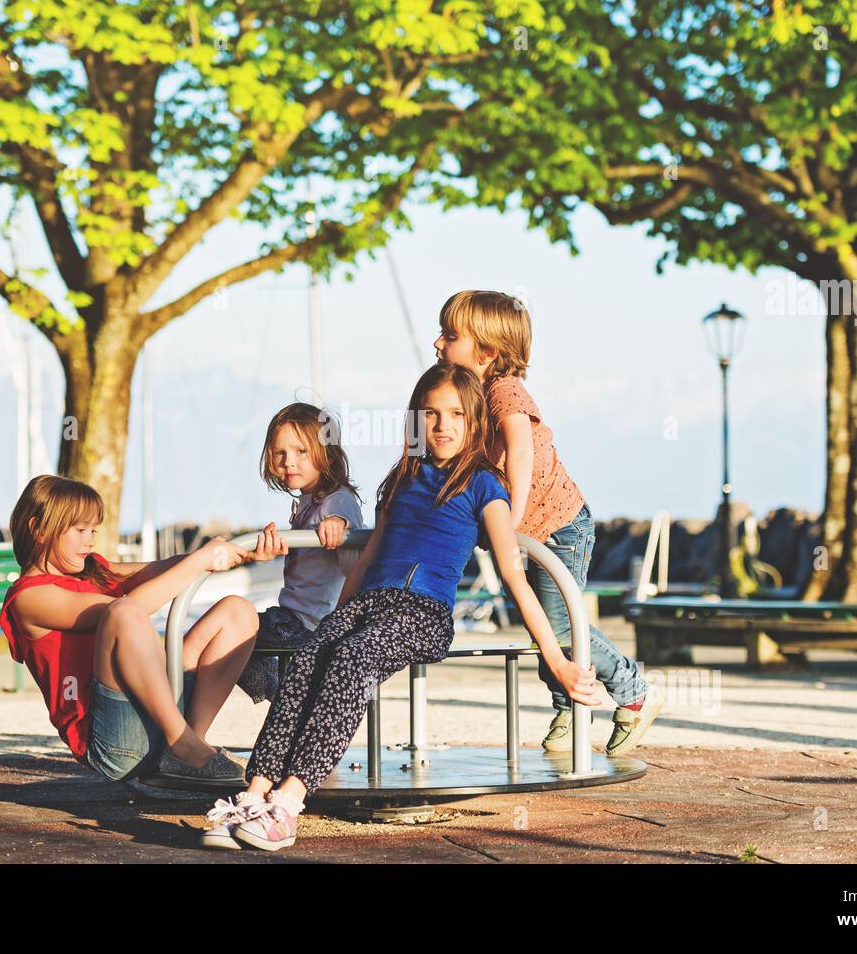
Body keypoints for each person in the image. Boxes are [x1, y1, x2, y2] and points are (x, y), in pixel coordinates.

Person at [199, 363, 604, 851]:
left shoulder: (484, 485)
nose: (443, 425)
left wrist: (557, 660)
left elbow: (514, 576)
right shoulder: (402, 480)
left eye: (456, 414)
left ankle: (288, 803)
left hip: (422, 612)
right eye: (431, 414)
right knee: (309, 658)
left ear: (475, 420)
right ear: (415, 420)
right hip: (369, 602)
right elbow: (366, 560)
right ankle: (254, 795)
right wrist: (336, 619)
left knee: (352, 659)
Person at [433, 289, 662, 755]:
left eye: (450, 335)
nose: (438, 343)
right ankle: (570, 706)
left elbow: (520, 449)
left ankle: (635, 690)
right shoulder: (468, 396)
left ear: (487, 351)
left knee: (561, 626)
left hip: (560, 526)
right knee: (541, 626)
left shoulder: (504, 391)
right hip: (531, 533)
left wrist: (512, 517)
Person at [0, 474, 285, 784]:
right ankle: (183, 744)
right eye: (80, 530)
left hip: (157, 718)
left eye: (93, 530)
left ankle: (190, 744)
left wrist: (236, 555)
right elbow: (129, 609)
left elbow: (157, 570)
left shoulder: (93, 570)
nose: (90, 541)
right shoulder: (29, 598)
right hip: (114, 743)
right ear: (39, 529)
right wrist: (202, 561)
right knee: (124, 612)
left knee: (237, 612)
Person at [235, 402, 366, 705]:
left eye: (301, 451)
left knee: (230, 635)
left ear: (327, 454)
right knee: (230, 638)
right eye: (280, 453)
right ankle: (286, 694)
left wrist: (339, 526)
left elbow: (348, 534)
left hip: (308, 623)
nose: (288, 462)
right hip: (292, 618)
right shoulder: (308, 501)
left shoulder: (336, 499)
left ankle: (281, 692)